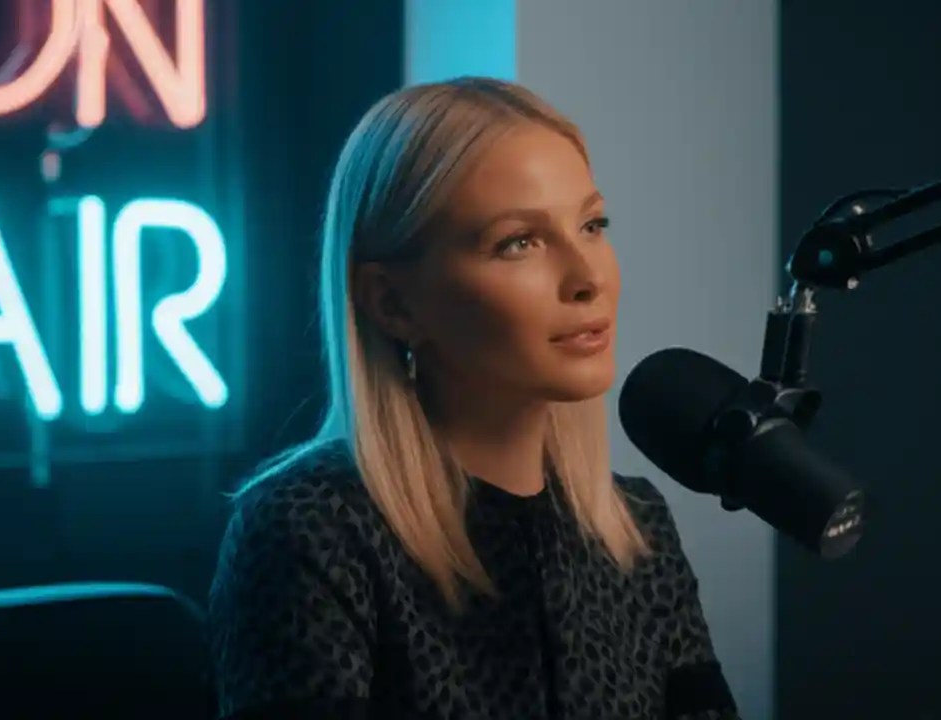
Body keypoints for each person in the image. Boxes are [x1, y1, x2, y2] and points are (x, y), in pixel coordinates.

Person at [207, 76, 739, 720]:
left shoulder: (637, 526)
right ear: (393, 303)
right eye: (519, 242)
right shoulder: (309, 528)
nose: (587, 277)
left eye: (593, 225)